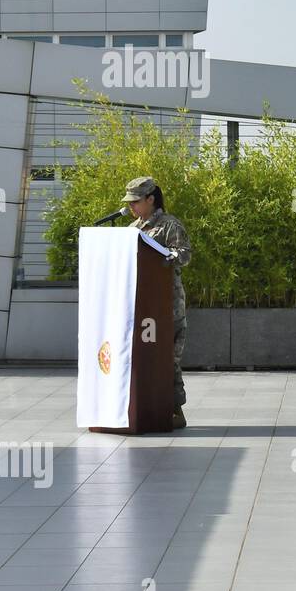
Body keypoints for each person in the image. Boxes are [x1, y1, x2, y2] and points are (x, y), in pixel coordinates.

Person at [124, 176, 191, 429]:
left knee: (168, 358)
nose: (132, 207)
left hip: (166, 306)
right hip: (140, 306)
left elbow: (184, 255)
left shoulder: (169, 225)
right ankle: (145, 406)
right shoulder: (132, 230)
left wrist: (167, 256)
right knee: (145, 357)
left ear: (151, 199)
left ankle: (175, 409)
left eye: (136, 201)